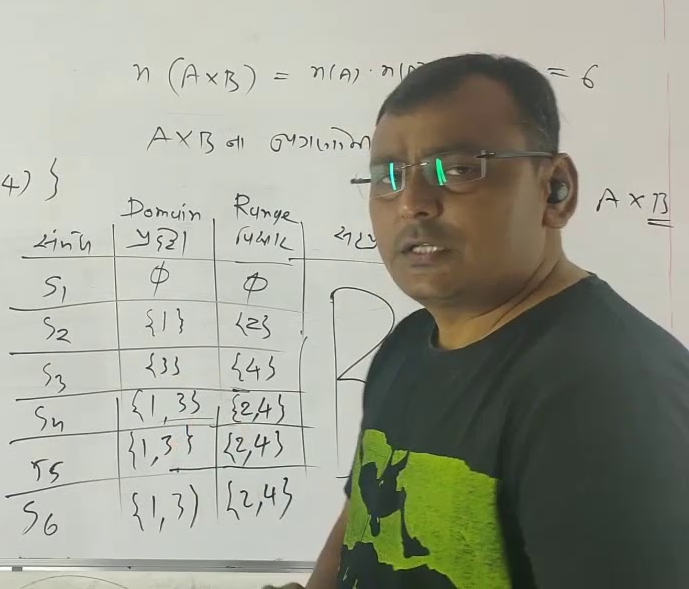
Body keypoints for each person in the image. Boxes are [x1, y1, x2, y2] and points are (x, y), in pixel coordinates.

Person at [270, 53, 689, 589]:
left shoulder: (607, 391)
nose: (412, 203)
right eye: (387, 177)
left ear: (555, 189)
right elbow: (362, 522)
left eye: (459, 170)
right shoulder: (408, 345)